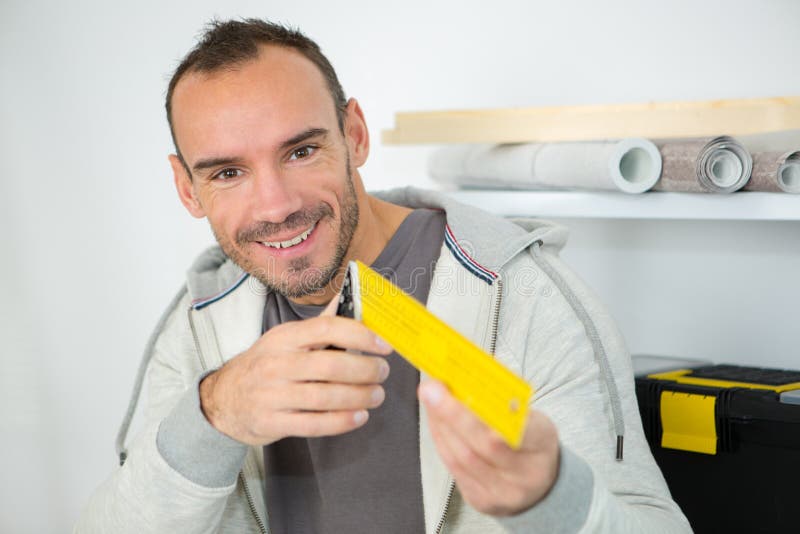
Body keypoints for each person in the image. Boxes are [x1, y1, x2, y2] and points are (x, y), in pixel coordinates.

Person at [76, 18, 690, 534]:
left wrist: (553, 497)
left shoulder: (523, 296)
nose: (275, 206)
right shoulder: (198, 320)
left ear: (355, 134)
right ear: (187, 189)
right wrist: (215, 415)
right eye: (227, 173)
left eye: (301, 151)